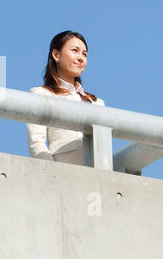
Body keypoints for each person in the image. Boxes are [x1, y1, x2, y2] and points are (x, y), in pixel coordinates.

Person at [26, 32, 104, 165]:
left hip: (96, 175)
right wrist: (53, 174)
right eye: (75, 51)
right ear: (56, 55)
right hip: (62, 172)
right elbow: (36, 142)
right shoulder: (41, 94)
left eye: (84, 54)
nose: (81, 58)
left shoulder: (97, 102)